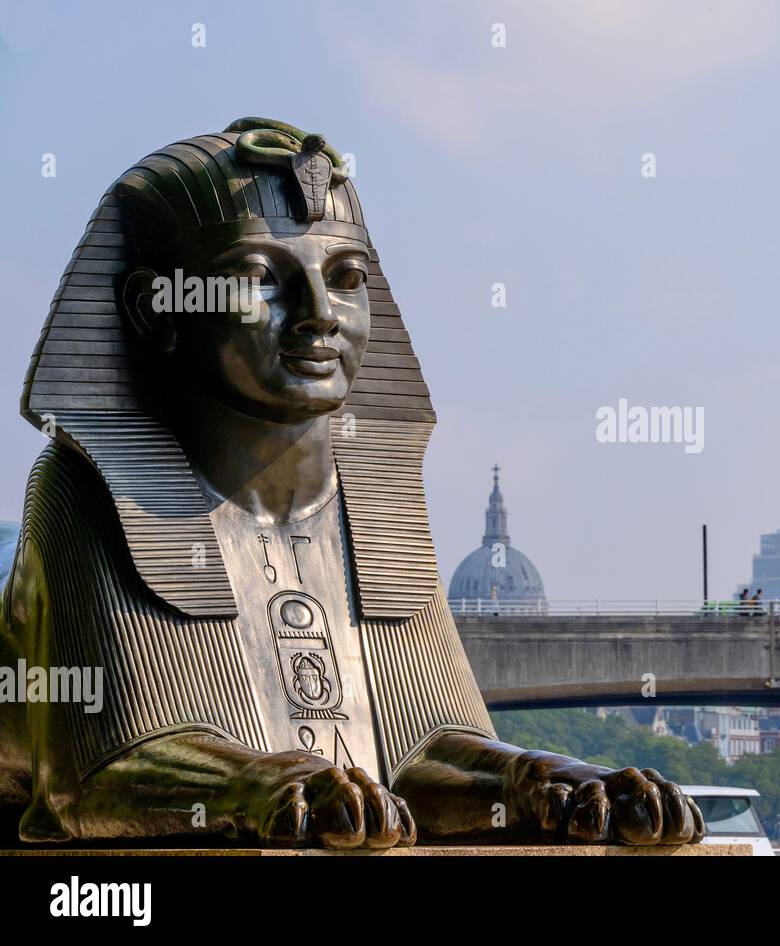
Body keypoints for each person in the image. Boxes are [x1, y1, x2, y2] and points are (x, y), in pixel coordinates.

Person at [0, 118, 703, 849]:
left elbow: (419, 755)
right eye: (260, 279)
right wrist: (253, 786)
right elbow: (92, 782)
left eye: (345, 279)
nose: (319, 318)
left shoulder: (372, 499)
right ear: (157, 310)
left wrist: (540, 780)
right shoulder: (86, 489)